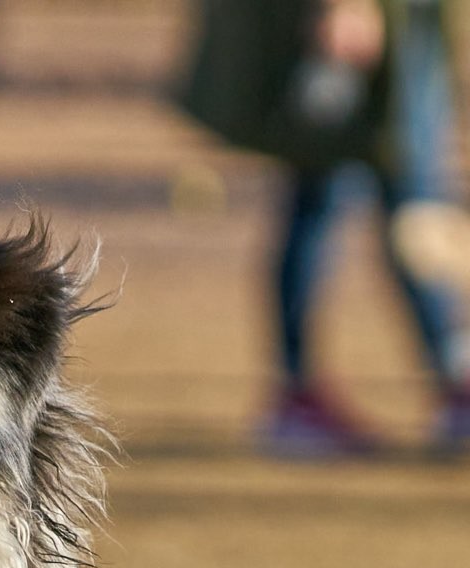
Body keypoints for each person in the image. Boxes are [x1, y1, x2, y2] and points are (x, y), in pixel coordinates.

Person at [183, 0, 470, 455]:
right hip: (363, 26)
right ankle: (304, 395)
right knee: (344, 193)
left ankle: (449, 377)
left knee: (376, 194)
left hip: (402, 23)